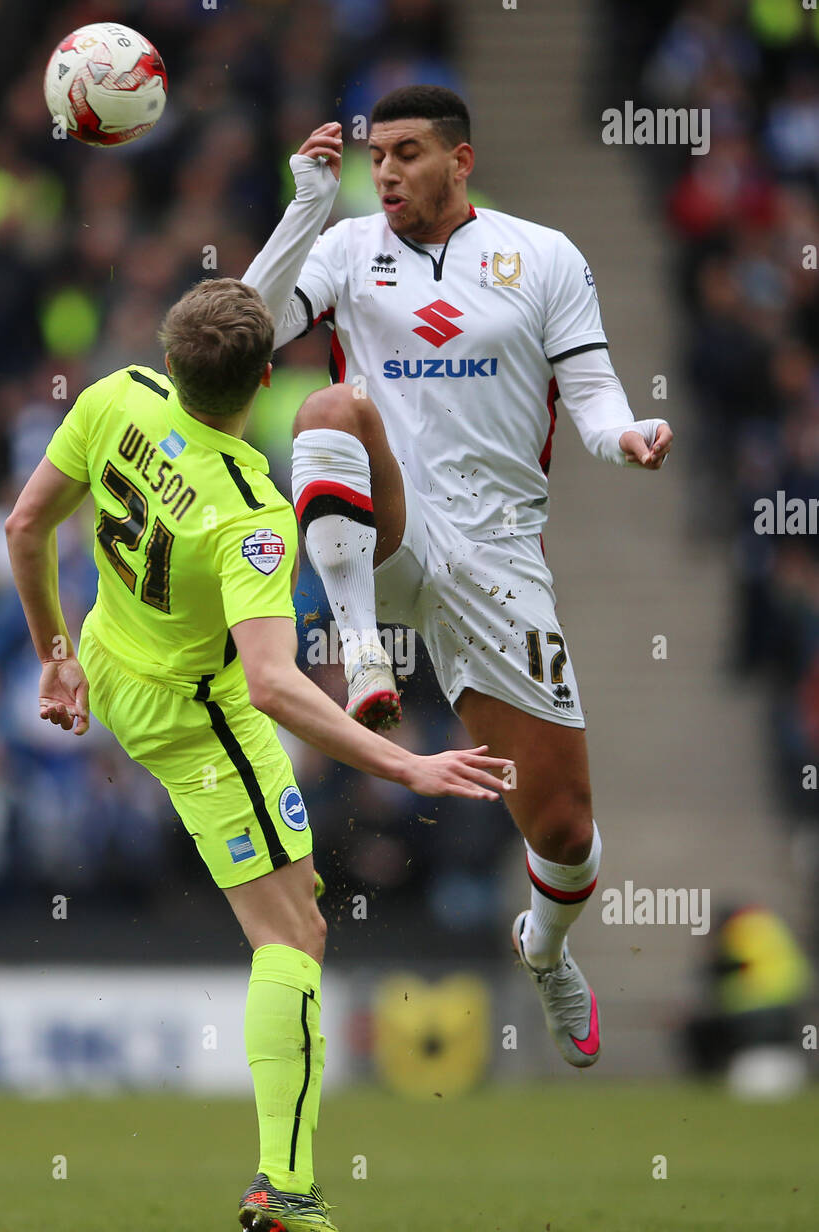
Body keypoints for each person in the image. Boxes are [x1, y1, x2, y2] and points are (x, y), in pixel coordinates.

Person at [4, 126, 510, 1232]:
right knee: (297, 937)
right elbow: (277, 683)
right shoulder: (247, 508)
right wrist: (409, 770)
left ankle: (288, 1170)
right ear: (267, 377)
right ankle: (286, 1184)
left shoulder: (120, 396)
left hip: (112, 660)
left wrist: (53, 656)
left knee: (295, 916)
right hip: (199, 711)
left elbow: (27, 527)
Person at [243, 86, 675, 1071]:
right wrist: (304, 205)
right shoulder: (348, 246)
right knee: (325, 412)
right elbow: (248, 335)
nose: (384, 172)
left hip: (496, 558)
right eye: (375, 157)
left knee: (564, 832)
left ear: (459, 159)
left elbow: (594, 393)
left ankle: (545, 949)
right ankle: (359, 649)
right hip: (384, 529)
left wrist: (627, 438)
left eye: (404, 154)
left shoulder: (545, 256)